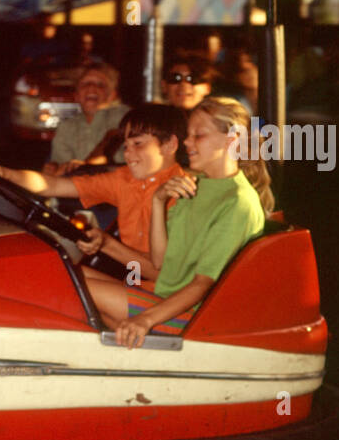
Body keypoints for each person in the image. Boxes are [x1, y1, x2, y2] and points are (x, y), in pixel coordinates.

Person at [88, 97, 273, 348]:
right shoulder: (193, 185)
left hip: (191, 316)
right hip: (164, 297)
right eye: (189, 135)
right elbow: (160, 262)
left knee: (69, 286)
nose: (187, 142)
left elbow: (202, 285)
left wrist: (145, 320)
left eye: (199, 135)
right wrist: (158, 201)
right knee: (66, 272)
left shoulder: (238, 202)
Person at [0, 103, 186, 282]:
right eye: (126, 145)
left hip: (167, 297)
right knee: (49, 272)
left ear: (169, 145)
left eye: (138, 144)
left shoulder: (186, 193)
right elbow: (54, 186)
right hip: (134, 279)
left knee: (61, 286)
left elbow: (165, 275)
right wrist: (4, 173)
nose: (128, 153)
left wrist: (106, 244)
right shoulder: (125, 180)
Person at [45, 62, 130, 174]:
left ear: (112, 95)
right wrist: (54, 169)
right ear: (76, 95)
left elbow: (111, 137)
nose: (91, 88)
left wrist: (86, 166)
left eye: (100, 85)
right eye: (85, 84)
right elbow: (61, 166)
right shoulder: (67, 127)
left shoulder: (124, 115)